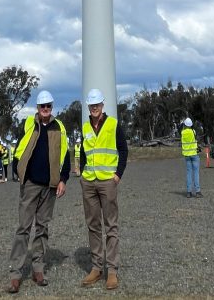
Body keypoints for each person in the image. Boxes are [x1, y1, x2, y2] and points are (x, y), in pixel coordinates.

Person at [7, 90, 70, 294]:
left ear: (52, 107)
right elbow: (18, 149)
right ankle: (16, 274)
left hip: (50, 185)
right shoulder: (28, 124)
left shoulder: (59, 127)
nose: (46, 109)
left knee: (42, 228)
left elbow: (65, 155)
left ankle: (38, 269)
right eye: (42, 106)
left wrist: (63, 179)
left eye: (49, 106)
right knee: (23, 228)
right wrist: (18, 171)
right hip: (31, 184)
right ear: (37, 108)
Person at [80, 88, 128, 291]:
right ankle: (97, 267)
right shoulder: (85, 127)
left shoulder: (113, 125)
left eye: (97, 105)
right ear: (88, 107)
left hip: (108, 181)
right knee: (92, 225)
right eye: (91, 105)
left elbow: (124, 150)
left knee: (111, 226)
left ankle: (112, 270)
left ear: (102, 105)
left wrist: (117, 175)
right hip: (89, 181)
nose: (94, 108)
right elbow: (83, 151)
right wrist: (82, 173)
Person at [180, 118, 201, 197]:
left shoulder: (182, 132)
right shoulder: (193, 131)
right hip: (194, 154)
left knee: (189, 173)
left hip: (186, 155)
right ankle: (198, 191)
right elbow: (196, 139)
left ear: (184, 124)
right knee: (196, 172)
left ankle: (189, 192)